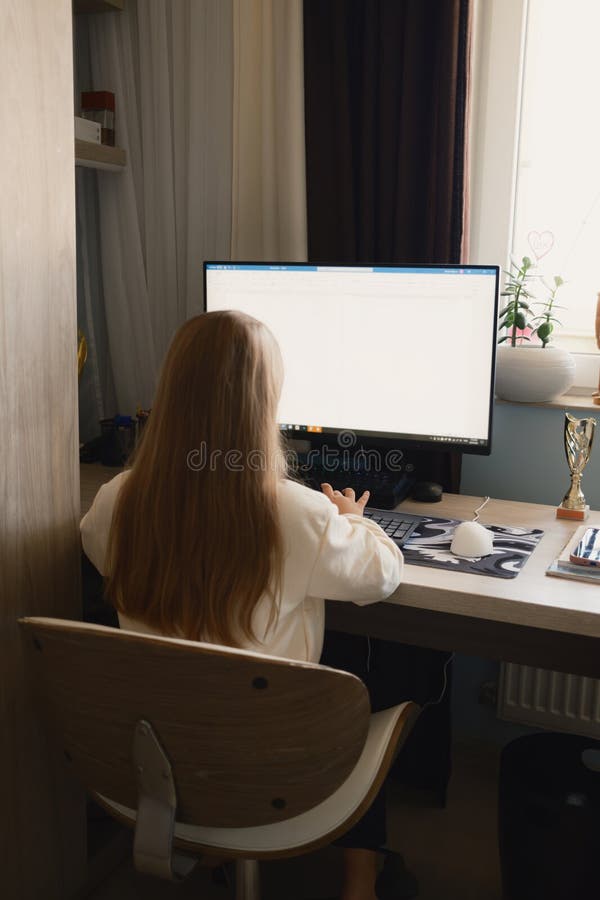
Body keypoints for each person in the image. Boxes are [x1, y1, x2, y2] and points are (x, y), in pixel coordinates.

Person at [81, 310, 405, 900]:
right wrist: (355, 522)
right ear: (264, 404)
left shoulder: (115, 502)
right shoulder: (300, 515)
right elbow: (381, 577)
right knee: (375, 670)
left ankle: (213, 852)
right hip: (275, 774)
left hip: (157, 764)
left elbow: (97, 550)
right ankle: (361, 881)